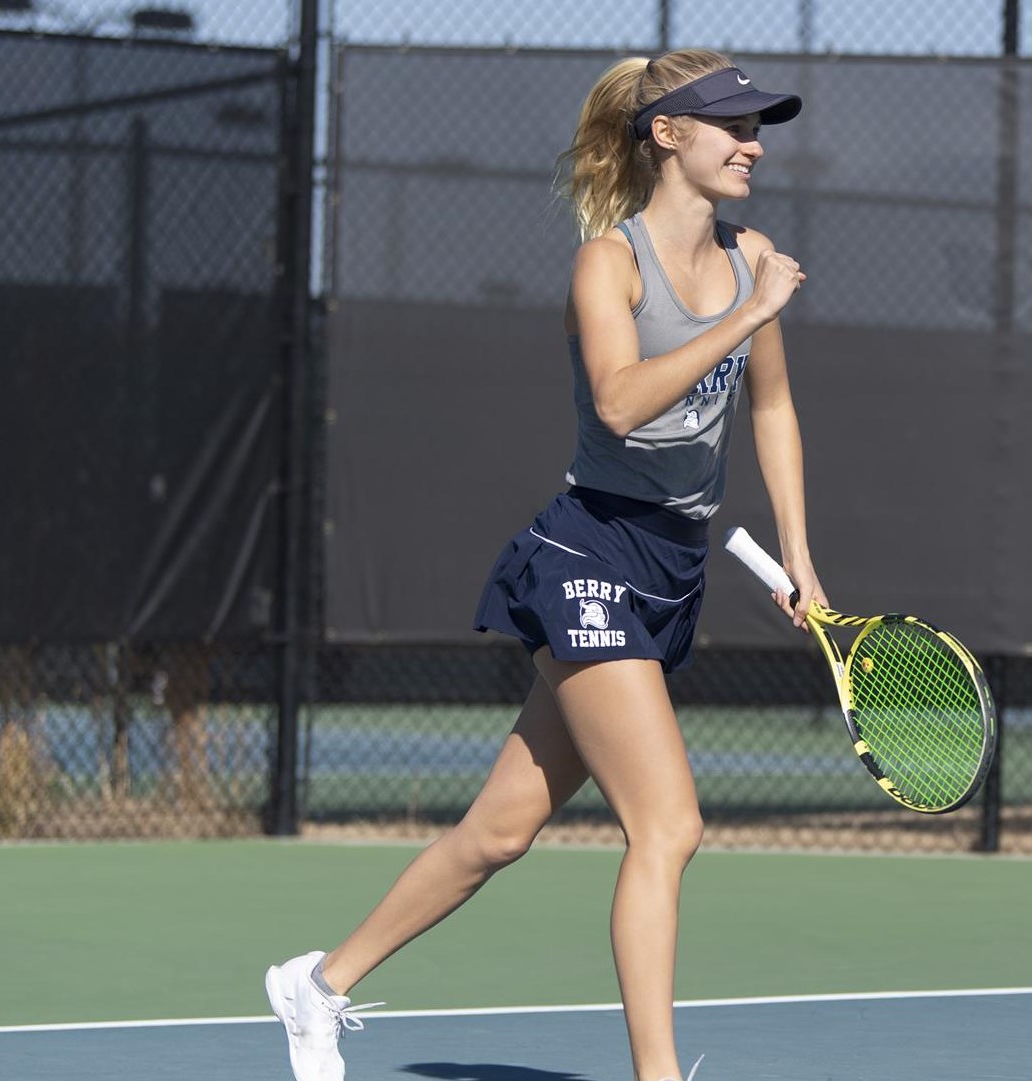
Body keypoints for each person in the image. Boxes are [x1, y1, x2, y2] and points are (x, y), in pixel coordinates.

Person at [264, 48, 825, 1081]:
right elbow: (619, 401)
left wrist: (797, 553)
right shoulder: (607, 265)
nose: (753, 145)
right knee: (669, 823)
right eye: (732, 126)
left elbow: (774, 406)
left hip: (675, 566)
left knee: (500, 831)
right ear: (667, 135)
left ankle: (316, 984)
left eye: (759, 128)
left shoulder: (754, 255)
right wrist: (747, 316)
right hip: (587, 552)